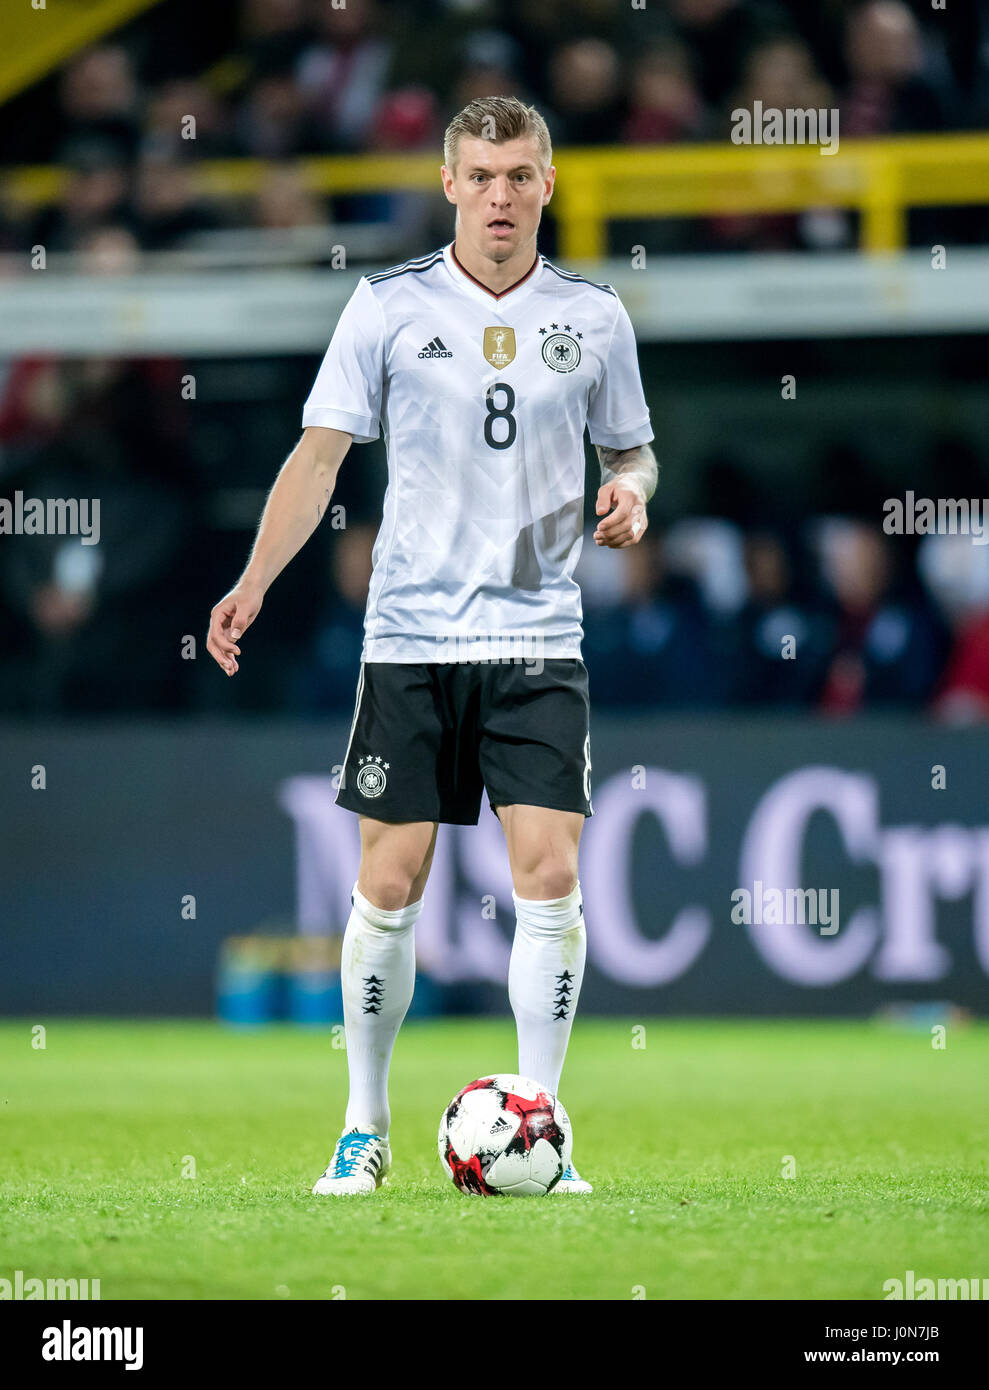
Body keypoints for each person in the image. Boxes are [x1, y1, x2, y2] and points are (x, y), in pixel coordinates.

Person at [206, 95, 657, 1195]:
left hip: (539, 637)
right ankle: (363, 1127)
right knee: (390, 880)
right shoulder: (387, 308)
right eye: (480, 175)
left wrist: (631, 495)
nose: (499, 195)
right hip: (409, 636)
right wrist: (255, 580)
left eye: (518, 175)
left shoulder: (594, 316)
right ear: (448, 184)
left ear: (548, 184)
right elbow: (318, 460)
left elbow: (637, 453)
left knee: (550, 873)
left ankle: (544, 1125)